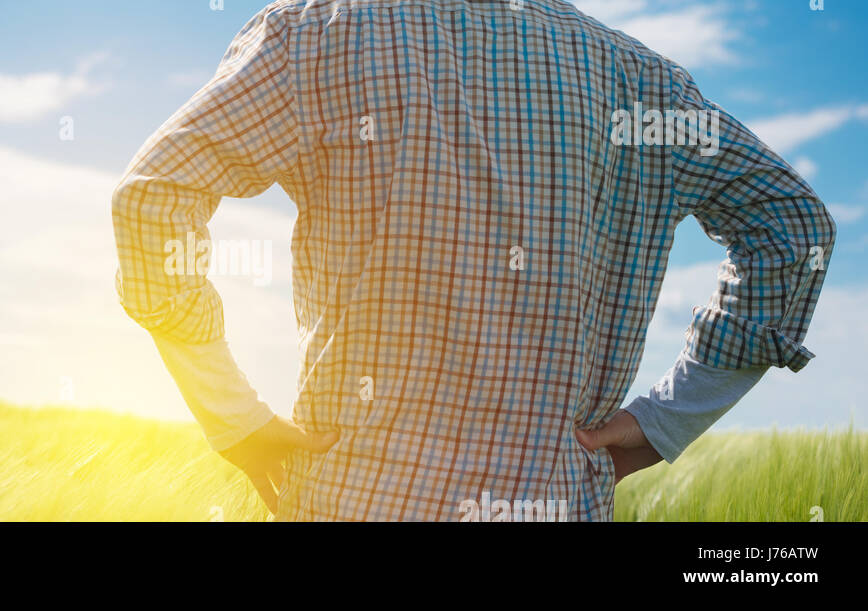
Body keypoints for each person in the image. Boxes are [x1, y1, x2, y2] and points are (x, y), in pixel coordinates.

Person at [111, 0, 836, 521]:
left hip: (350, 499)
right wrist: (668, 421)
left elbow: (152, 197)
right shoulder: (643, 85)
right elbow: (794, 227)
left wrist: (231, 416)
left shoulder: (323, 35)